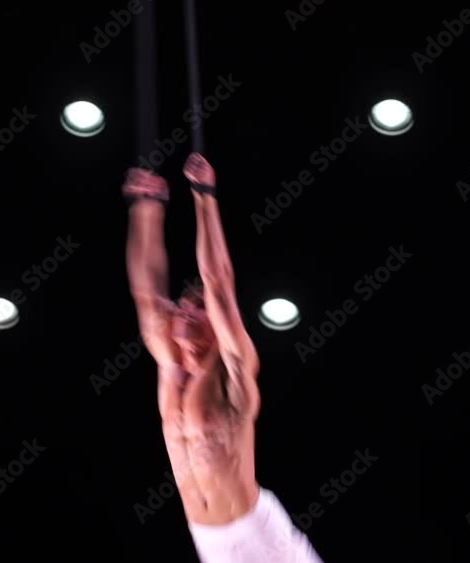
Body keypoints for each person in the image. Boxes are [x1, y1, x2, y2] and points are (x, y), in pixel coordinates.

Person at [123, 153, 323, 562]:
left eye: (196, 307)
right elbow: (147, 292)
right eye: (182, 304)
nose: (183, 310)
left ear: (217, 325)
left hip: (263, 538)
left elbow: (218, 283)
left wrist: (204, 196)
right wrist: (146, 208)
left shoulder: (231, 367)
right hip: (209, 542)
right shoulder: (171, 365)